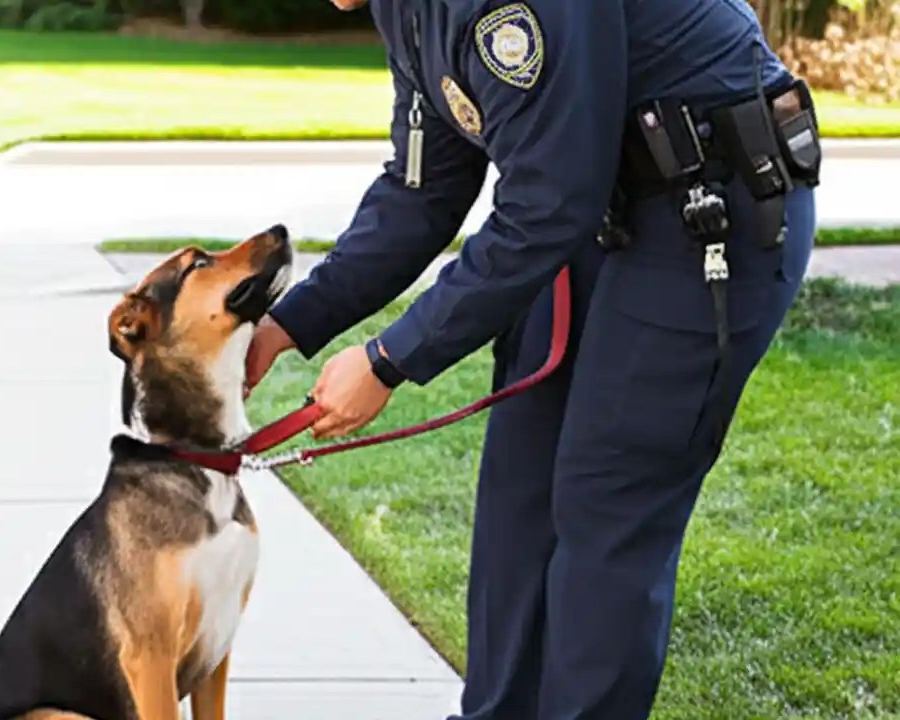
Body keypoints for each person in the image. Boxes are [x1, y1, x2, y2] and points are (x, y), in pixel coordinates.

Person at [242, 0, 822, 717]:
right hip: (598, 209)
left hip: (708, 209)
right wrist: (287, 324)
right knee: (523, 488)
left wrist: (390, 358)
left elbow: (547, 205)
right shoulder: (404, 9)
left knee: (604, 494)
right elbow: (423, 188)